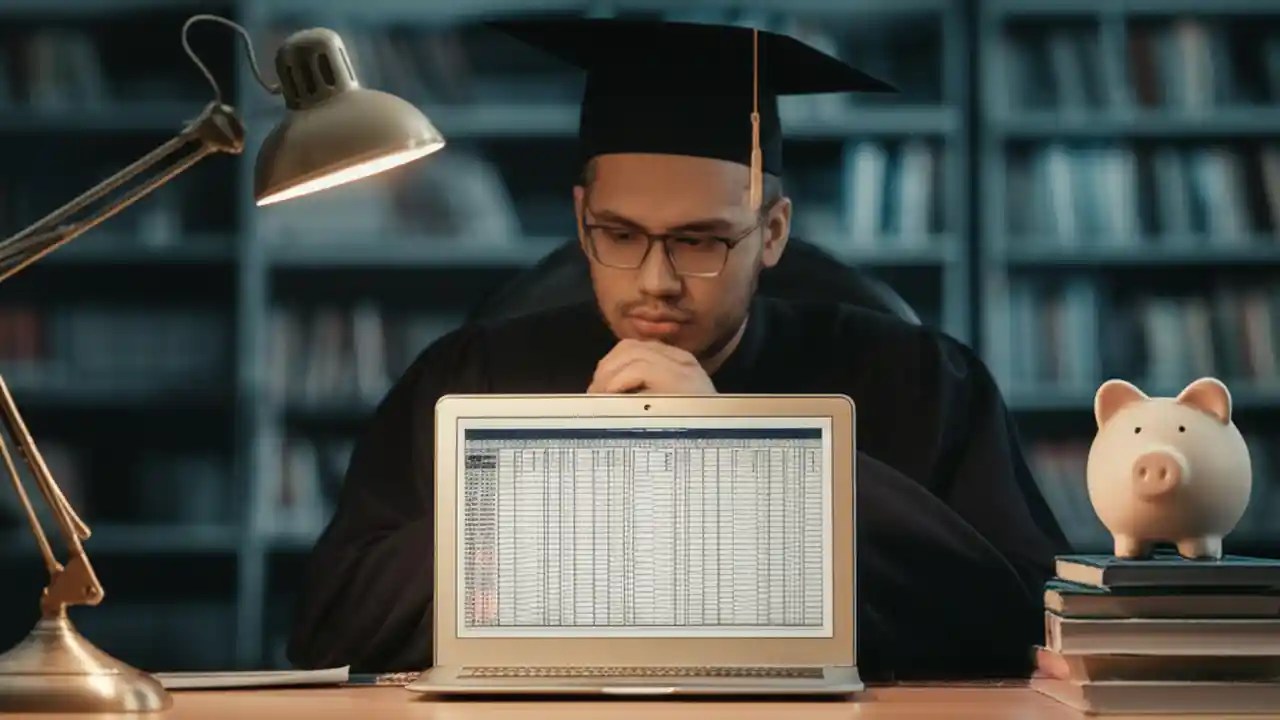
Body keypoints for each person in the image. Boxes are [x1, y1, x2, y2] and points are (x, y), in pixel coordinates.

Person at [287, 17, 1069, 681]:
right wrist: (556, 476)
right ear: (580, 216)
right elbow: (329, 632)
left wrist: (752, 452)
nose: (656, 282)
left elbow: (1028, 623)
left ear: (772, 233)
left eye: (699, 241)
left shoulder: (919, 381)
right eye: (620, 235)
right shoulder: (471, 376)